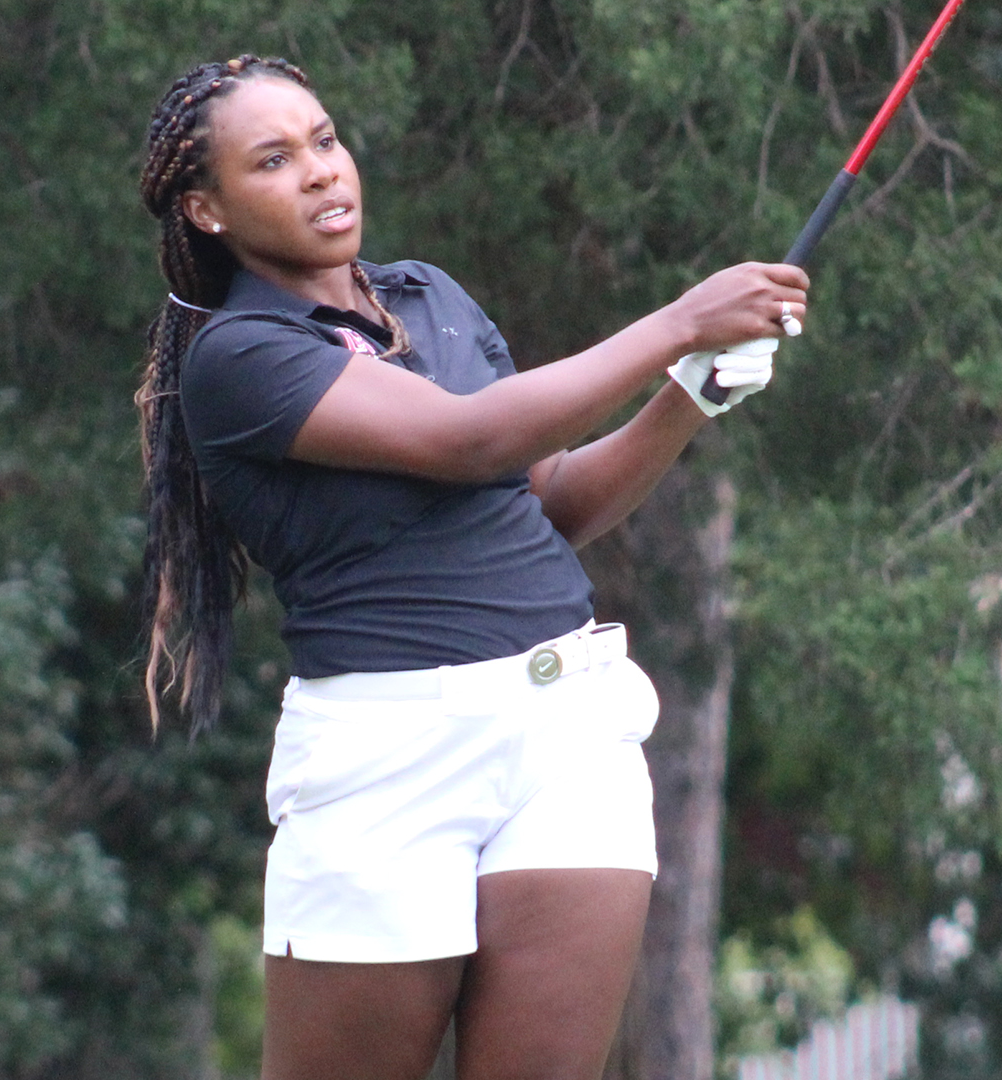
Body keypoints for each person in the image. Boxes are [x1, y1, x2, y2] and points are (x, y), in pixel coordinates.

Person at [135, 54, 808, 1080]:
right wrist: (678, 320)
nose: (320, 171)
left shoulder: (430, 298)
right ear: (206, 208)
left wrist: (689, 391)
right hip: (385, 757)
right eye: (273, 160)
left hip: (565, 729)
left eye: (324, 140)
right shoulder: (237, 357)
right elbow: (467, 441)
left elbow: (555, 503)